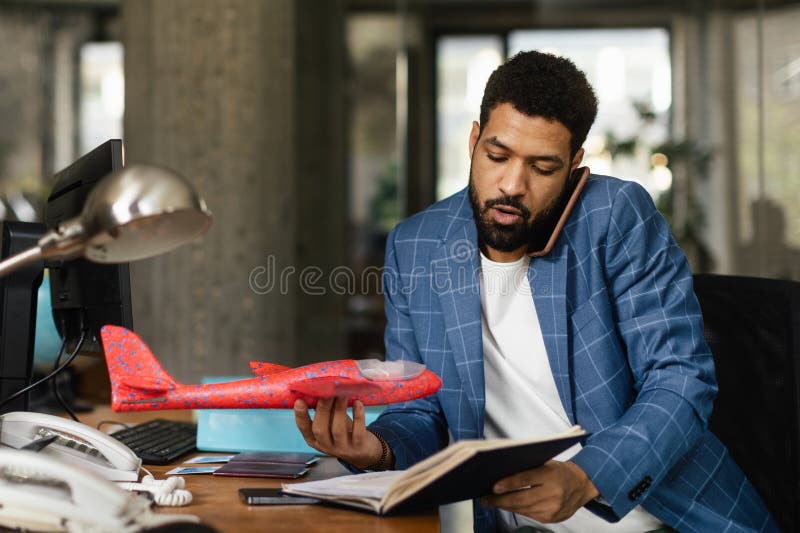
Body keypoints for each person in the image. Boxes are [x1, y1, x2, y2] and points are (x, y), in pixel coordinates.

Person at [294, 51, 777, 532]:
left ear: (573, 165)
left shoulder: (616, 218)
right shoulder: (416, 245)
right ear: (473, 140)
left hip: (661, 522)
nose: (512, 184)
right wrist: (375, 450)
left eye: (543, 168)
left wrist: (585, 477)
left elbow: (680, 378)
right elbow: (421, 410)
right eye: (497, 156)